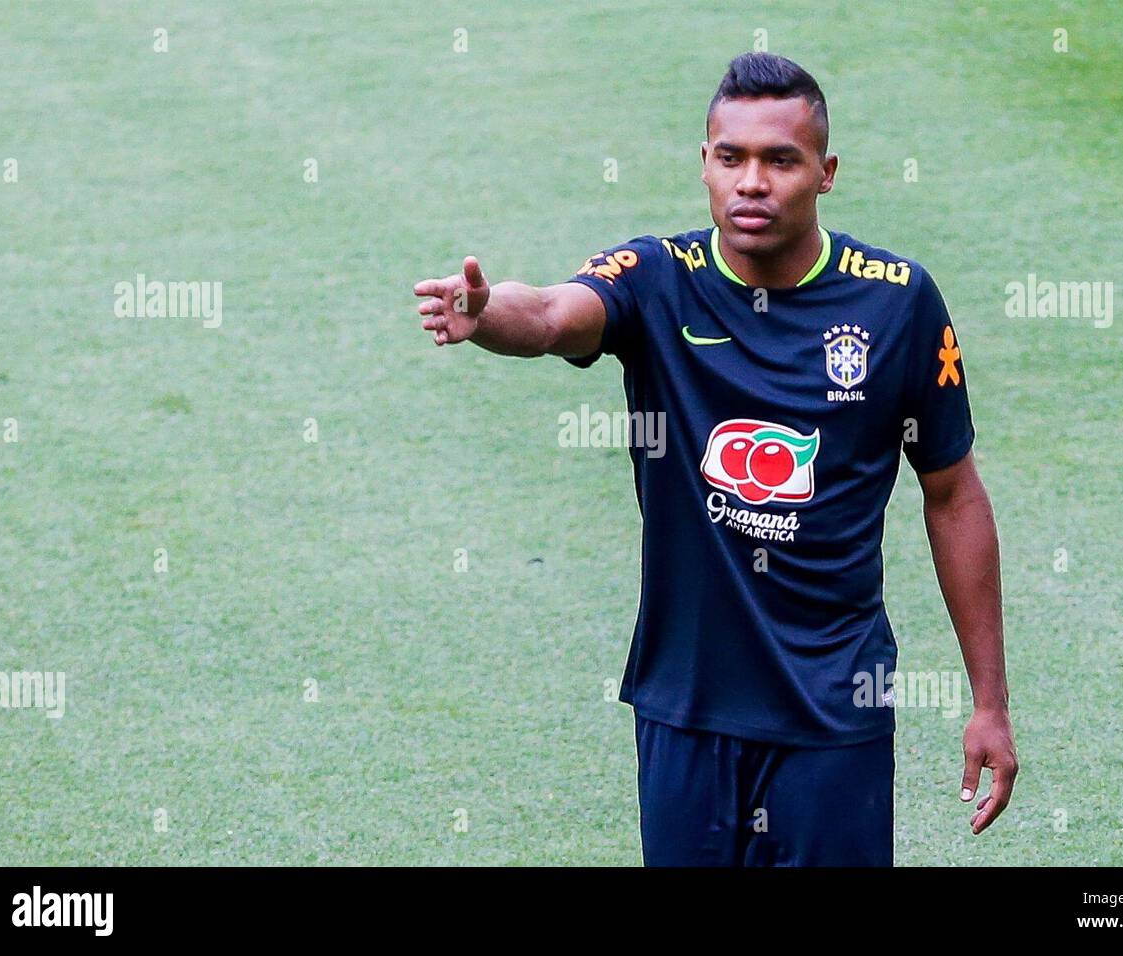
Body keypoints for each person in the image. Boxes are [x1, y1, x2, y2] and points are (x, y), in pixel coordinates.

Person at [413, 51, 1017, 866]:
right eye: (731, 158)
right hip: (685, 706)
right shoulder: (659, 280)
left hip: (833, 713)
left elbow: (952, 495)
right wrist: (486, 314)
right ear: (705, 163)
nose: (752, 182)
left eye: (781, 160)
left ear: (826, 172)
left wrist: (990, 701)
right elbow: (556, 313)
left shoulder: (898, 302)